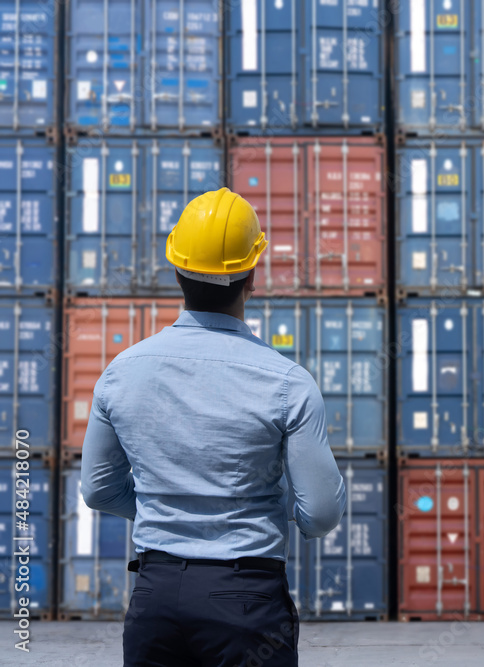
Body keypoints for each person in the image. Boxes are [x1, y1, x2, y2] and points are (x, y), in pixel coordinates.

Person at [80, 187, 346, 666]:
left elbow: (97, 491)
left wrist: (168, 507)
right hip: (246, 600)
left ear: (177, 270)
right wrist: (270, 509)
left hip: (154, 598)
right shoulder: (289, 382)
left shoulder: (120, 371)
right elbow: (321, 513)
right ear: (252, 275)